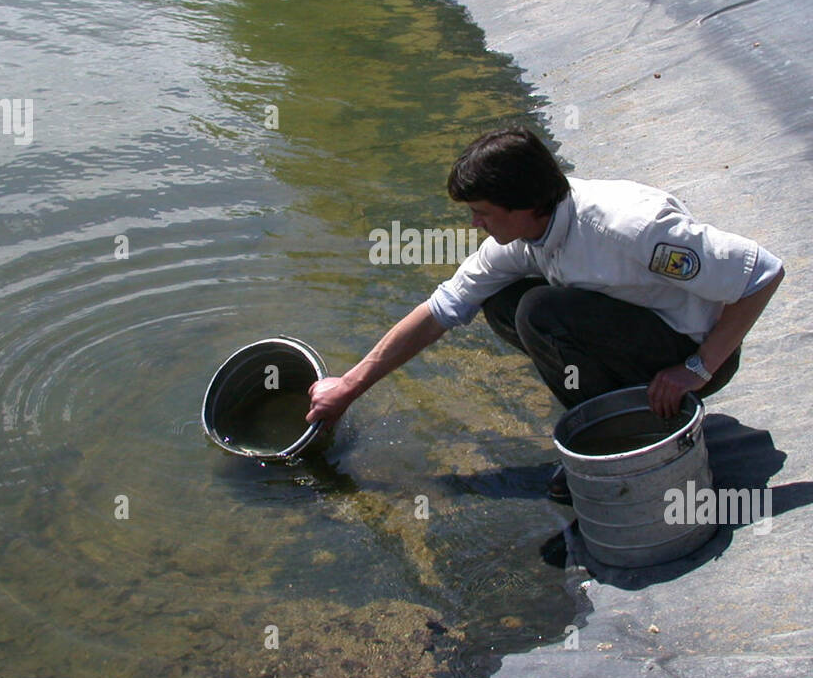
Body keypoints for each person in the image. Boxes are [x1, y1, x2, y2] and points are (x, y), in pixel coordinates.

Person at [305, 127, 784, 501]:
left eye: (482, 212)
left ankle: (622, 439)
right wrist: (349, 387)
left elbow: (762, 273)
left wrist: (696, 370)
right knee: (501, 302)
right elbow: (443, 308)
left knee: (540, 311)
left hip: (695, 349)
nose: (474, 223)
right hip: (639, 333)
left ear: (527, 205)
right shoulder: (530, 233)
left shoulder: (628, 228)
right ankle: (617, 413)